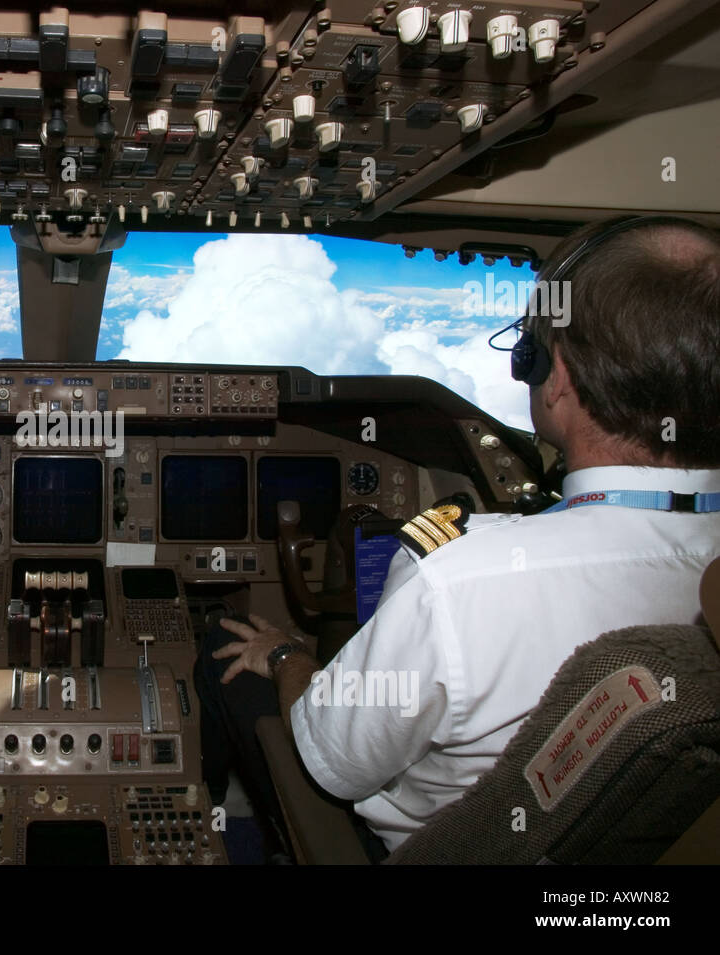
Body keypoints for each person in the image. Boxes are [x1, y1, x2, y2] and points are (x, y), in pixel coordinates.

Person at [196, 215, 720, 857]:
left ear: (554, 376)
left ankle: (212, 818)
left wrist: (287, 657)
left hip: (418, 846)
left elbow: (335, 757)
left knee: (222, 644)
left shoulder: (464, 580)